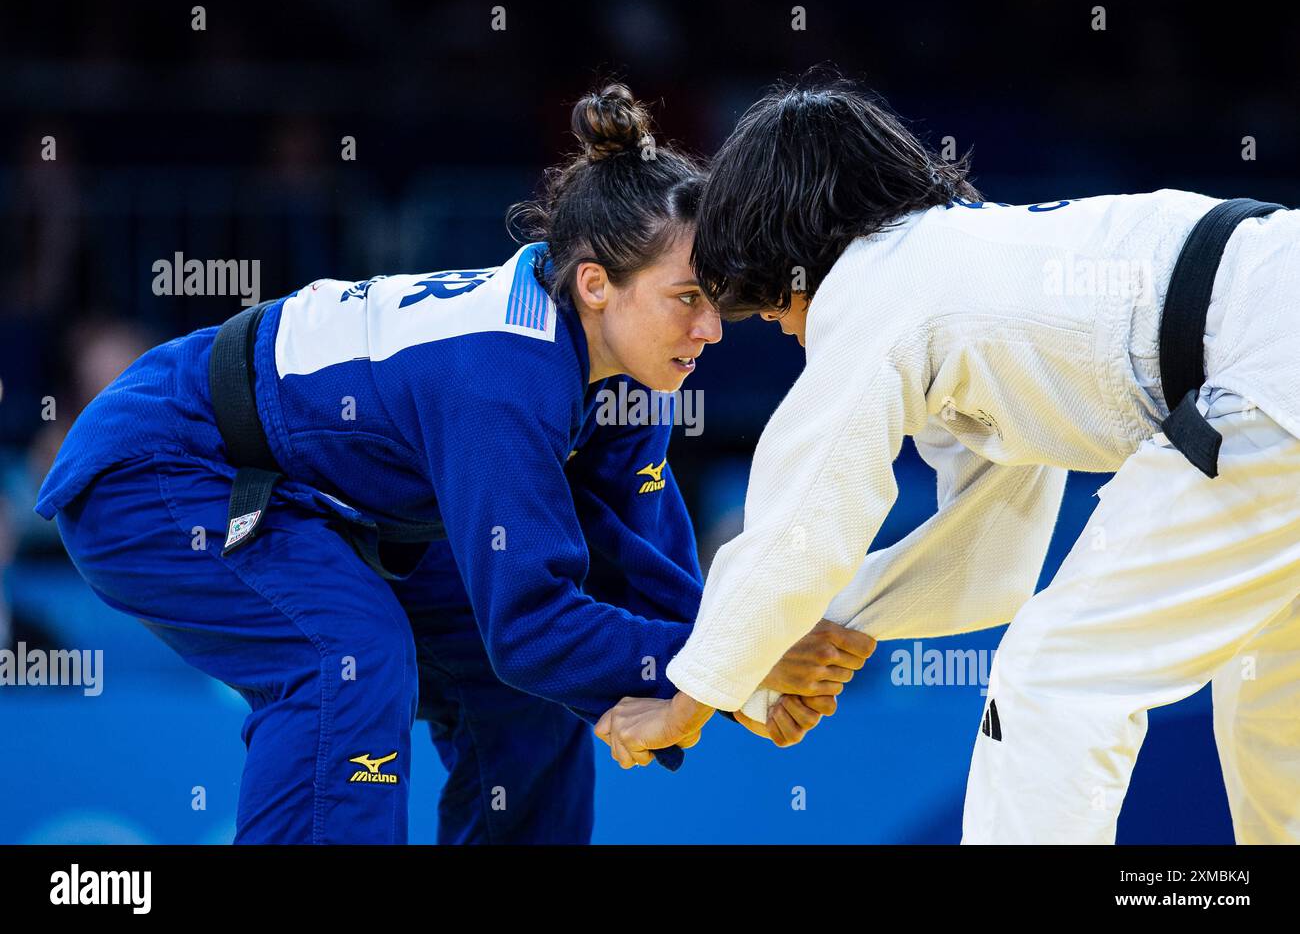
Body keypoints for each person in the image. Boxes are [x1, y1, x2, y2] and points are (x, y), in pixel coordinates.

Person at [35, 83, 870, 844]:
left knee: (522, 701)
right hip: (160, 470)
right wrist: (740, 659)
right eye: (688, 299)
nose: (711, 330)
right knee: (350, 654)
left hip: (306, 493)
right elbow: (534, 626)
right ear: (594, 284)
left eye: (715, 301)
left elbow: (646, 578)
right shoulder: (500, 379)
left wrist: (738, 683)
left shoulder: (623, 378)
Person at [595, 75, 1300, 845]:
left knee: (1053, 679)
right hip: (1270, 347)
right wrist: (806, 633)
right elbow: (990, 554)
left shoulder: (876, 287)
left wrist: (685, 705)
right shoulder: (969, 276)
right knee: (1270, 689)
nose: (787, 334)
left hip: (1264, 370)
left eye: (769, 309)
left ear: (788, 251)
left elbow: (797, 527)